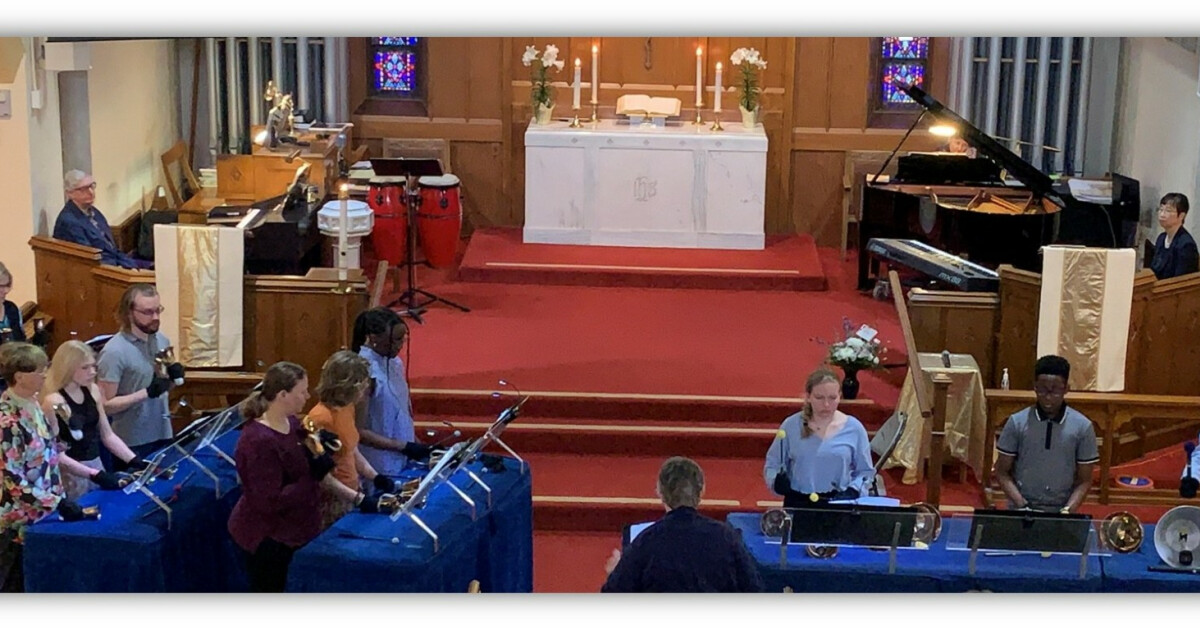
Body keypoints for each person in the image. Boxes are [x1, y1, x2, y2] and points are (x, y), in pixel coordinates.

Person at [226, 361, 387, 593]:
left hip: (292, 529)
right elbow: (268, 501)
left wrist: (320, 442)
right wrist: (312, 476)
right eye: (302, 391)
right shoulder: (257, 441)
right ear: (282, 394)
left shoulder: (289, 421)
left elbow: (303, 443)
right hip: (267, 538)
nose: (307, 396)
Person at [601, 457, 762, 593]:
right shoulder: (727, 537)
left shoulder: (644, 541)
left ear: (660, 493)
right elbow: (754, 593)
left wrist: (614, 573)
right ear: (701, 491)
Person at [307, 350, 403, 528]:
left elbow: (351, 450)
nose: (365, 390)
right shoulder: (320, 418)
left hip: (352, 490)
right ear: (347, 386)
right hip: (333, 501)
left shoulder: (347, 408)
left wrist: (375, 477)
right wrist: (358, 499)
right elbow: (321, 476)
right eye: (362, 385)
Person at [41, 340, 148, 501]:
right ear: (67, 369)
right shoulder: (53, 402)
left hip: (96, 465)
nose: (92, 372)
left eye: (93, 366)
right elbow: (54, 453)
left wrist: (134, 461)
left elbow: (107, 435)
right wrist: (95, 475)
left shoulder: (93, 391)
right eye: (85, 368)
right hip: (70, 472)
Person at [994, 355, 1099, 513]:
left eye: (1055, 390)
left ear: (1066, 389)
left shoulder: (1083, 427)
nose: (1048, 396)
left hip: (1062, 510)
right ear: (1035, 387)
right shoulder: (1017, 422)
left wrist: (1067, 510)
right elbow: (1002, 472)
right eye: (1042, 390)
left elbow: (1084, 480)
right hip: (1021, 508)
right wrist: (1021, 505)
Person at [0, 343, 64, 591]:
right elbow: (12, 480)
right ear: (19, 377)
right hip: (15, 522)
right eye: (40, 371)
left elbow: (44, 455)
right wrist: (56, 503)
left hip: (41, 514)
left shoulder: (33, 404)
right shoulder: (7, 419)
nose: (45, 375)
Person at [763, 368, 875, 508]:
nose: (826, 405)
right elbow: (773, 464)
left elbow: (865, 472)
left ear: (840, 396)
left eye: (832, 398)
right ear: (808, 396)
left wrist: (854, 489)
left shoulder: (854, 429)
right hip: (798, 503)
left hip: (838, 503)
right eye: (819, 398)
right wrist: (776, 482)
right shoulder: (791, 426)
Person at [97, 284, 181, 457]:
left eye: (158, 310)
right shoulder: (114, 351)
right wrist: (146, 393)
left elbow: (161, 389)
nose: (156, 317)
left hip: (163, 432)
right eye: (148, 312)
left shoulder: (161, 340)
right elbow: (105, 406)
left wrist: (173, 379)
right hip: (131, 442)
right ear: (129, 312)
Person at [351, 308, 433, 477]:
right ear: (373, 337)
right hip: (379, 464)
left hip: (402, 455)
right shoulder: (364, 371)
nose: (400, 345)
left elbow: (400, 412)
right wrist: (403, 446)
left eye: (403, 339)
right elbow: (357, 431)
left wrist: (419, 445)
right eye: (395, 340)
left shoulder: (394, 363)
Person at [52, 170, 152, 270]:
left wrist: (131, 265)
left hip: (116, 262)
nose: (91, 192)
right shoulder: (69, 222)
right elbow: (90, 259)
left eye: (92, 186)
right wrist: (123, 269)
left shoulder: (94, 211)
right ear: (69, 193)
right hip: (100, 272)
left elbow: (112, 249)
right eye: (83, 189)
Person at [1149, 192, 1199, 280]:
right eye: (1160, 209)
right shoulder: (1161, 238)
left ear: (1181, 216)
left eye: (1168, 211)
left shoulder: (1186, 245)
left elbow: (1180, 281)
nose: (1162, 214)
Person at [0, 262, 26, 345]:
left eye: (8, 285)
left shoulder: (11, 309)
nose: (6, 291)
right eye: (1, 286)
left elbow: (21, 341)